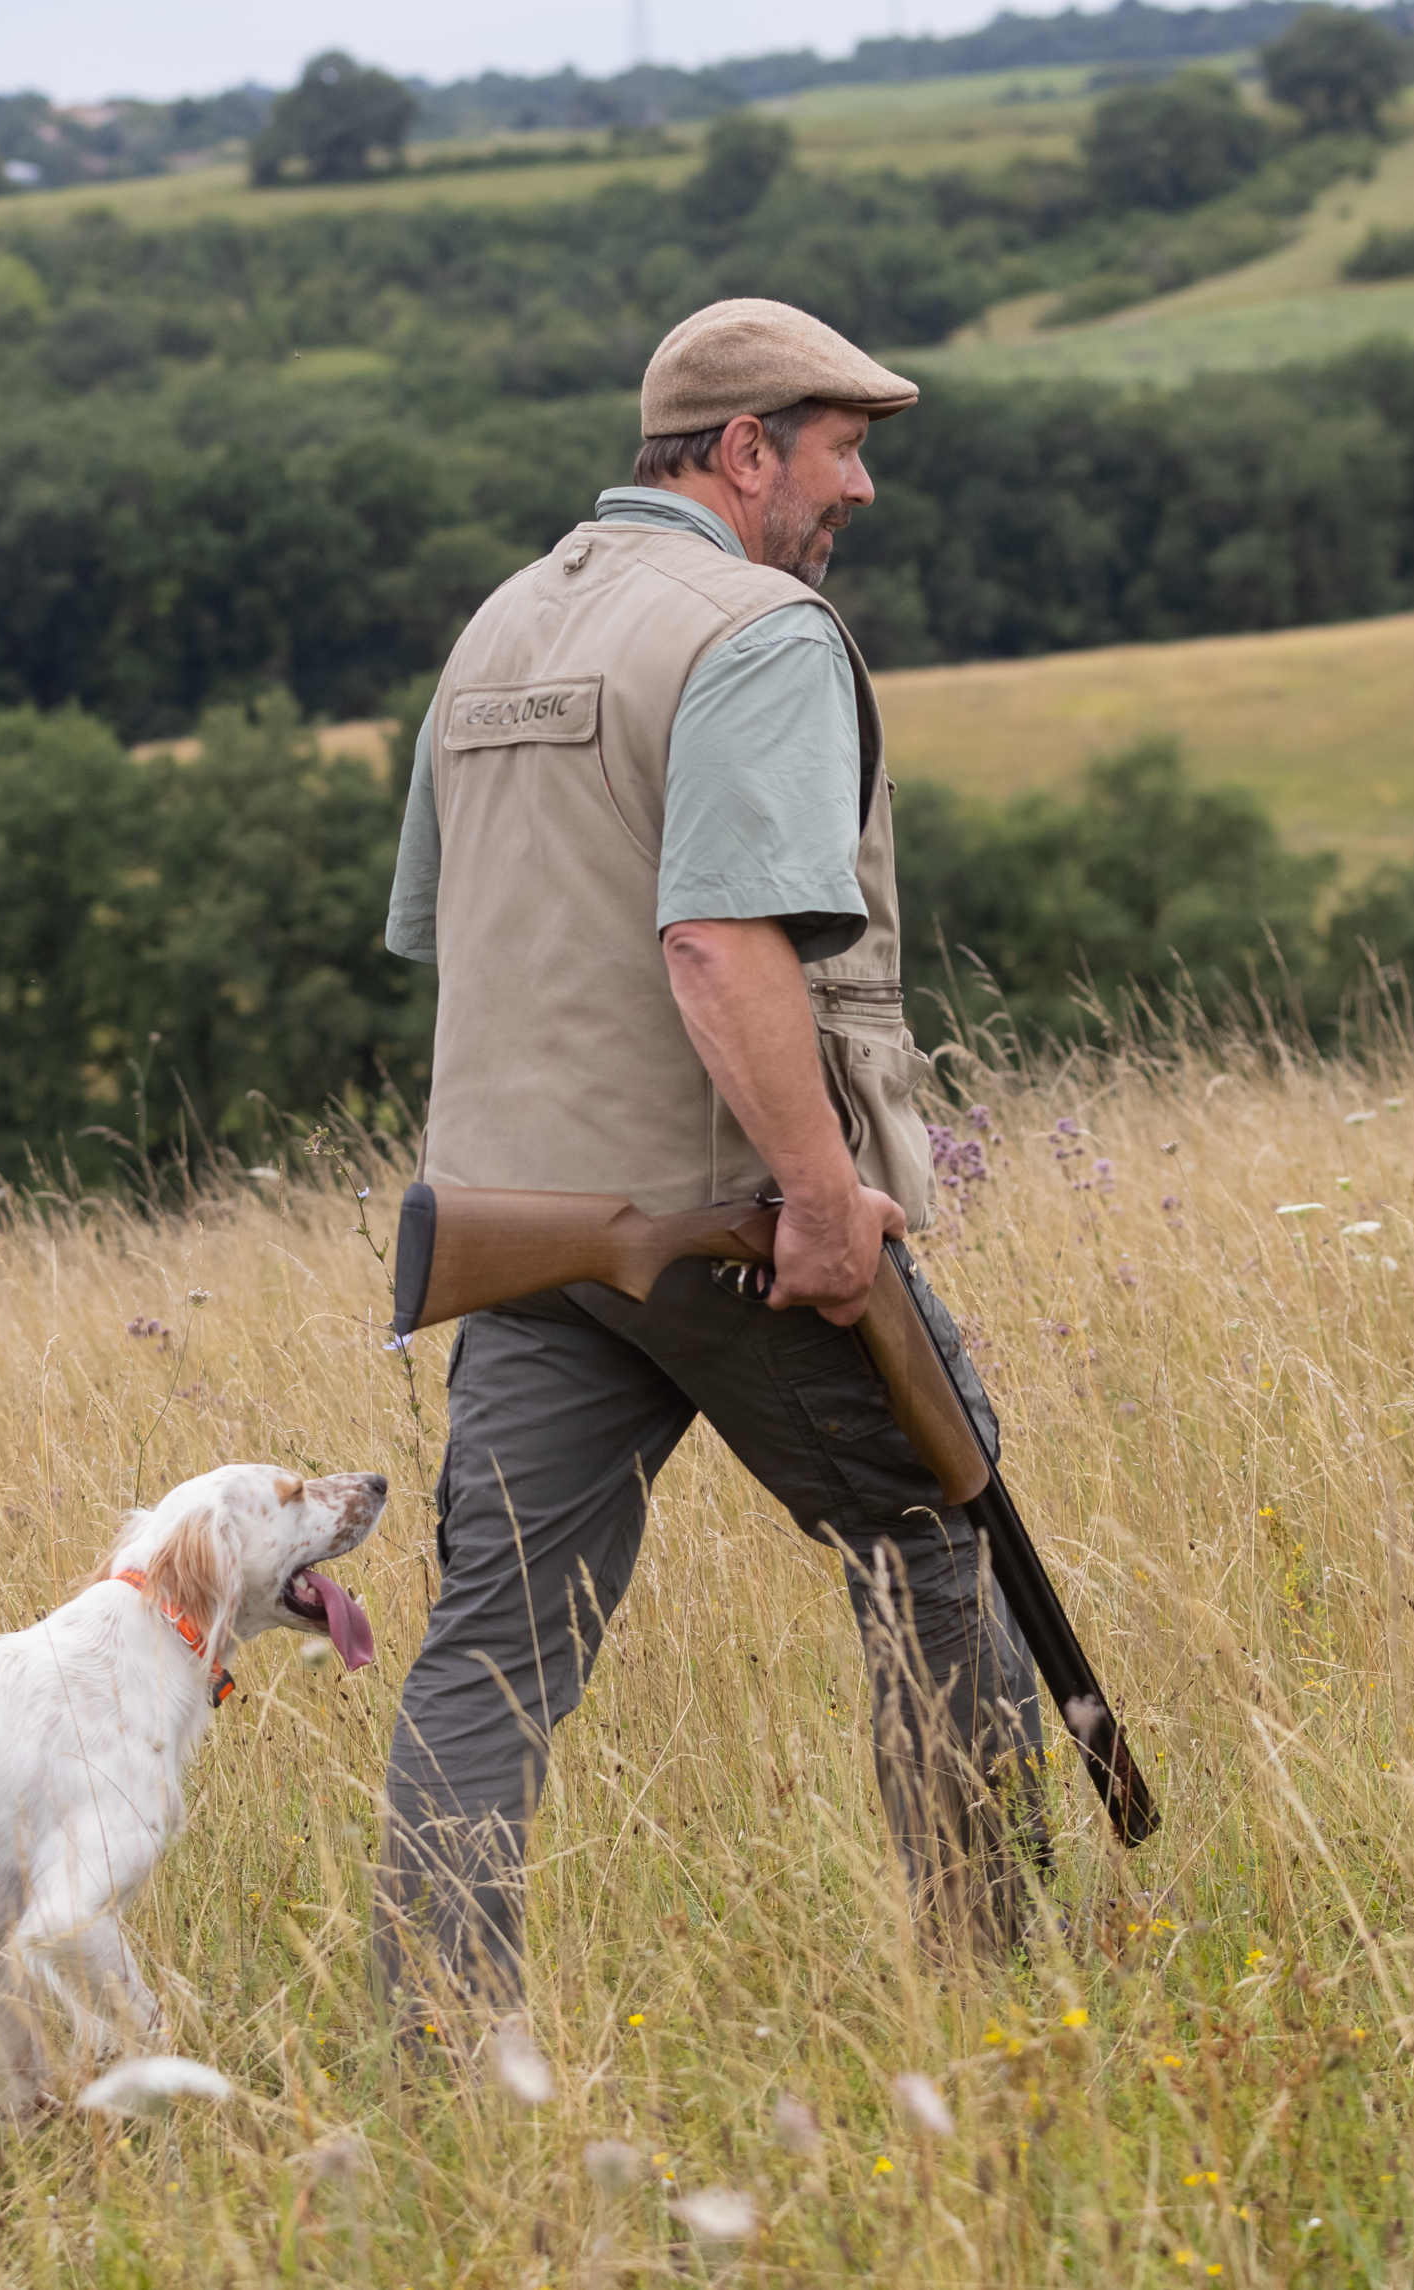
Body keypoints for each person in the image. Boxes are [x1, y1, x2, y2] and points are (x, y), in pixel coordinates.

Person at [372, 297, 1047, 2038]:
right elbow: (715, 941)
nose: (860, 490)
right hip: (725, 1221)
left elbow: (453, 931)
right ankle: (1003, 2007)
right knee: (926, 1543)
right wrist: (818, 1199)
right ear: (744, 451)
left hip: (522, 1228)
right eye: (841, 450)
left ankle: (431, 2045)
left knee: (490, 1651)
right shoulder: (758, 630)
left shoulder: (497, 627)